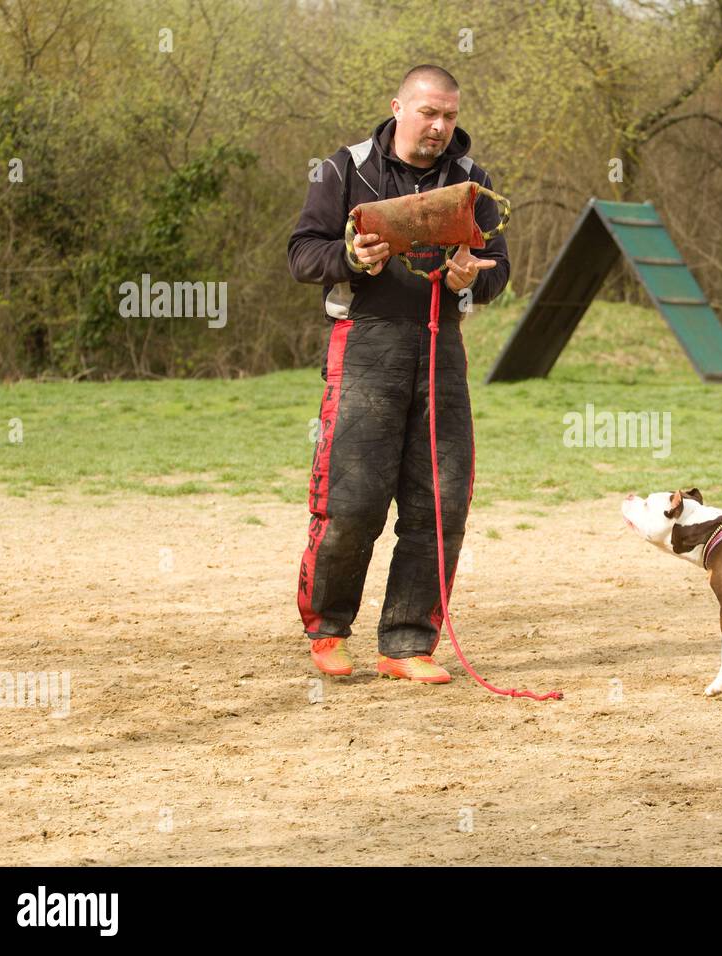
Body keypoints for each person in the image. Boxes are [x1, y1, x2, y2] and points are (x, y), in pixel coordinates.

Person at [287, 65, 508, 683]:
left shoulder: (473, 182)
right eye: (428, 113)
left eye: (450, 117)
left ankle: (407, 644)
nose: (439, 127)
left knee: (440, 503)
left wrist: (475, 278)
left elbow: (498, 268)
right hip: (365, 346)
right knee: (350, 502)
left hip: (443, 353)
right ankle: (328, 631)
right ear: (398, 107)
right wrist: (349, 257)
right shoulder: (344, 168)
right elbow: (303, 253)